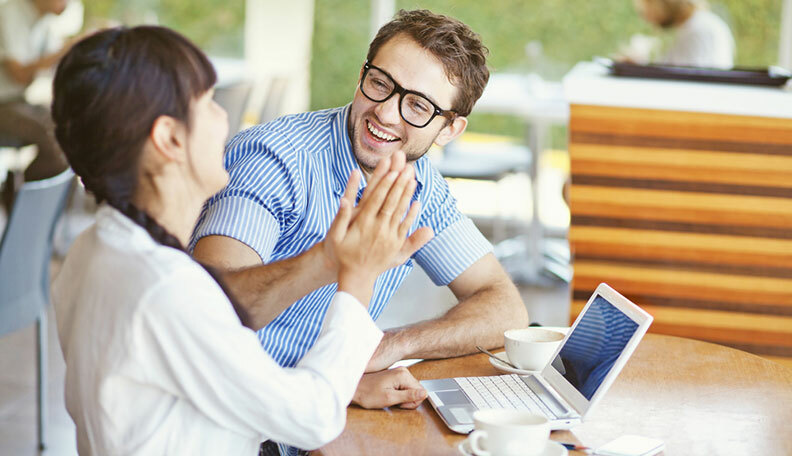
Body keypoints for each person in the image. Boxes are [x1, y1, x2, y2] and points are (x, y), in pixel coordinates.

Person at [50, 25, 429, 455]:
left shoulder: (97, 247)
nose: (224, 119)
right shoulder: (166, 290)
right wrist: (359, 275)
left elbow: (216, 380)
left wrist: (332, 258)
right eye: (208, 103)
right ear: (169, 139)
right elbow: (313, 420)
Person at [192, 9, 529, 413]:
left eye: (418, 106)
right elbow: (210, 310)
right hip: (228, 416)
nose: (385, 113)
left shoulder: (419, 182)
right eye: (380, 83)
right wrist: (331, 262)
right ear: (361, 75)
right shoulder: (276, 158)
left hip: (307, 410)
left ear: (449, 129)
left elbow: (504, 307)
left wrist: (383, 349)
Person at [0, 0, 82, 210]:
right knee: (52, 135)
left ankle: (29, 204)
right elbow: (18, 74)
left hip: (18, 101)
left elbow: (53, 67)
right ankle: (22, 206)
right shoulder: (10, 13)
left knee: (70, 127)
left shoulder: (45, 23)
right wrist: (65, 50)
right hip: (4, 102)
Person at [634, 0, 735, 68]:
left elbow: (687, 80)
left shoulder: (700, 30)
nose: (647, 17)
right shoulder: (688, 28)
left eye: (647, 7)